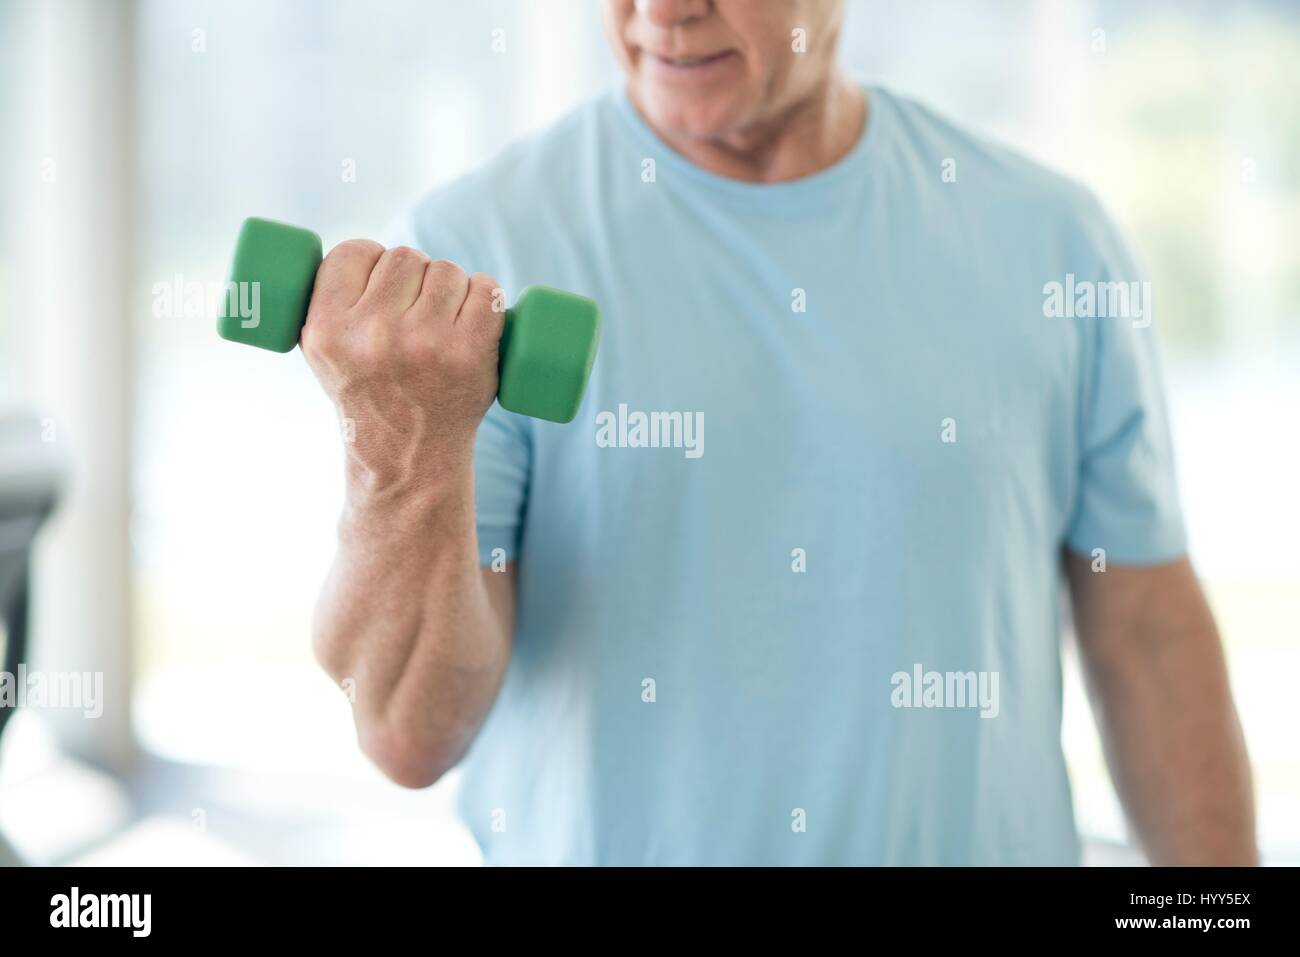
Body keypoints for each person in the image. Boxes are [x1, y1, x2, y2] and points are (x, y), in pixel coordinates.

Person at [303, 0, 1255, 865]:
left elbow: (1146, 631)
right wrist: (406, 454)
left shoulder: (1056, 242)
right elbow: (407, 733)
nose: (664, 13)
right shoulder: (482, 252)